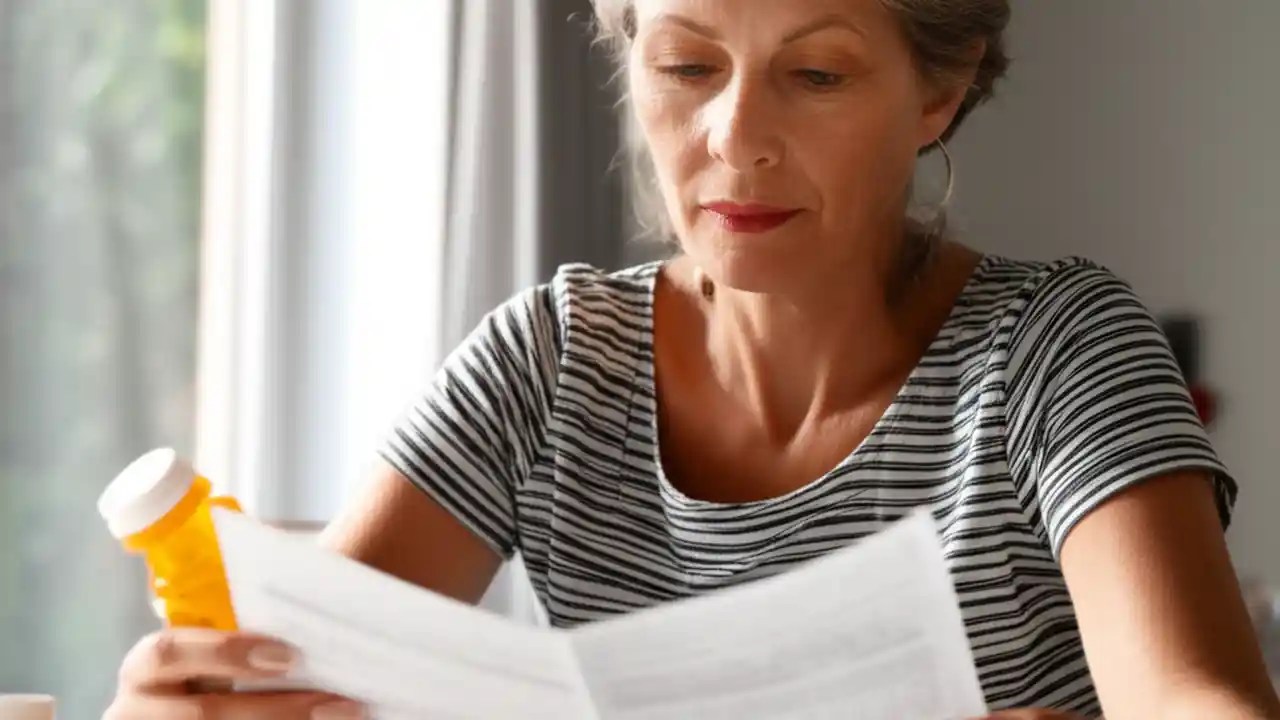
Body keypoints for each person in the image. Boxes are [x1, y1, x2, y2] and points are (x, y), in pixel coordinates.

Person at [105, 1, 1280, 718]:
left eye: (814, 75)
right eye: (684, 68)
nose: (734, 139)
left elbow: (1195, 702)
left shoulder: (1054, 349)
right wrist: (180, 705)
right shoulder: (551, 362)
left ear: (941, 85)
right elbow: (293, 682)